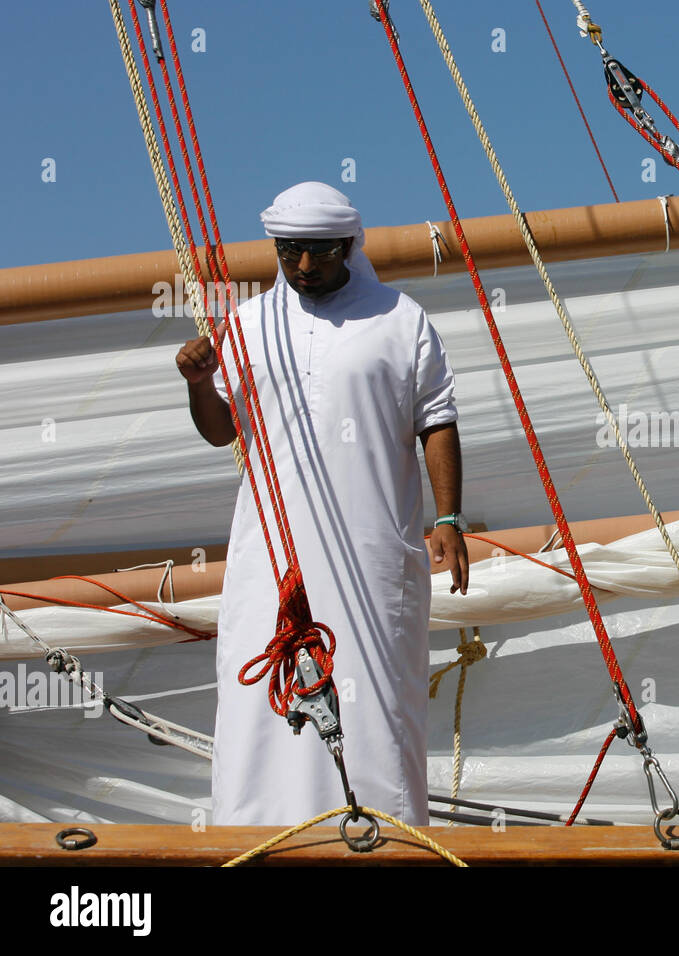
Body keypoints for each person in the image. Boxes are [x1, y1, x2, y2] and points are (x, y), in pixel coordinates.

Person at [175, 182, 468, 826]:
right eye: (291, 253)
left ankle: (383, 833)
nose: (305, 266)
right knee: (260, 706)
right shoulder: (248, 325)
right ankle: (255, 833)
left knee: (374, 703)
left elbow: (437, 420)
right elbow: (223, 429)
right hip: (268, 561)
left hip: (372, 557)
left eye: (319, 252)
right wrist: (201, 385)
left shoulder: (401, 319)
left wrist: (447, 518)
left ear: (348, 245)